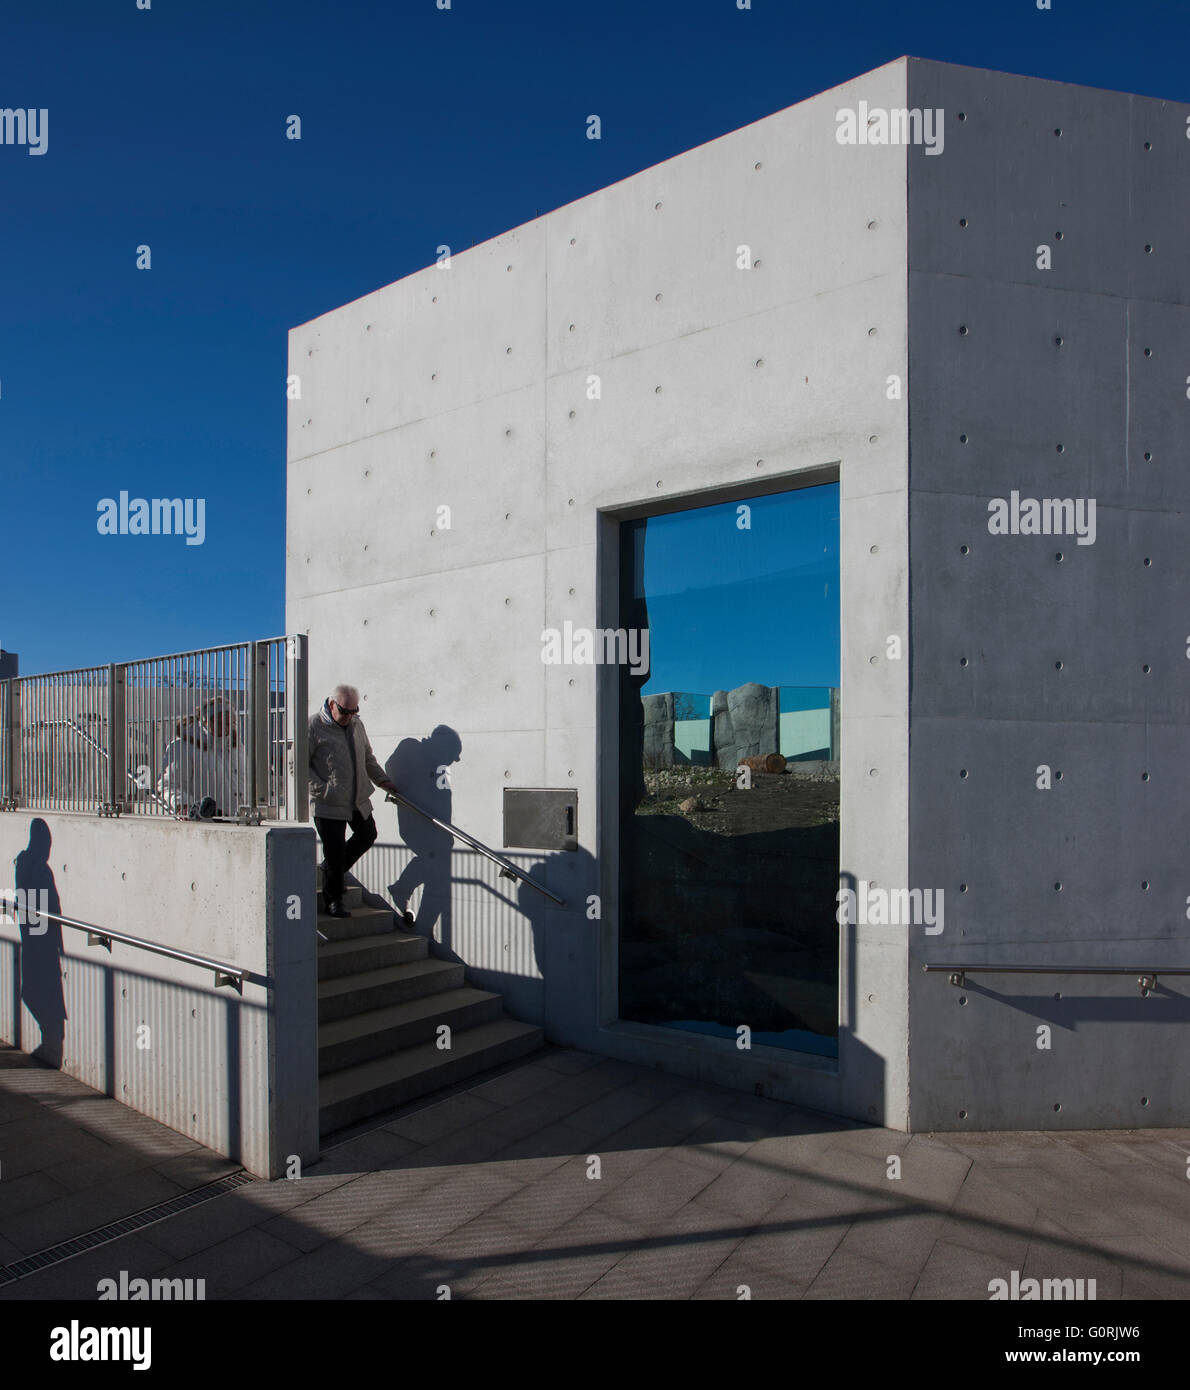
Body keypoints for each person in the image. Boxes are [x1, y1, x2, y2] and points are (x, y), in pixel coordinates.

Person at [308, 684, 399, 917]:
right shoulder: (313, 726)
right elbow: (296, 765)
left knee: (367, 835)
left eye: (354, 711)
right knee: (335, 850)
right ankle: (334, 900)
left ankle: (330, 871)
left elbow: (368, 757)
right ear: (331, 704)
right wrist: (324, 790)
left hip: (357, 799)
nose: (349, 716)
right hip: (329, 803)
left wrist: (382, 781)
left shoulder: (357, 725)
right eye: (345, 711)